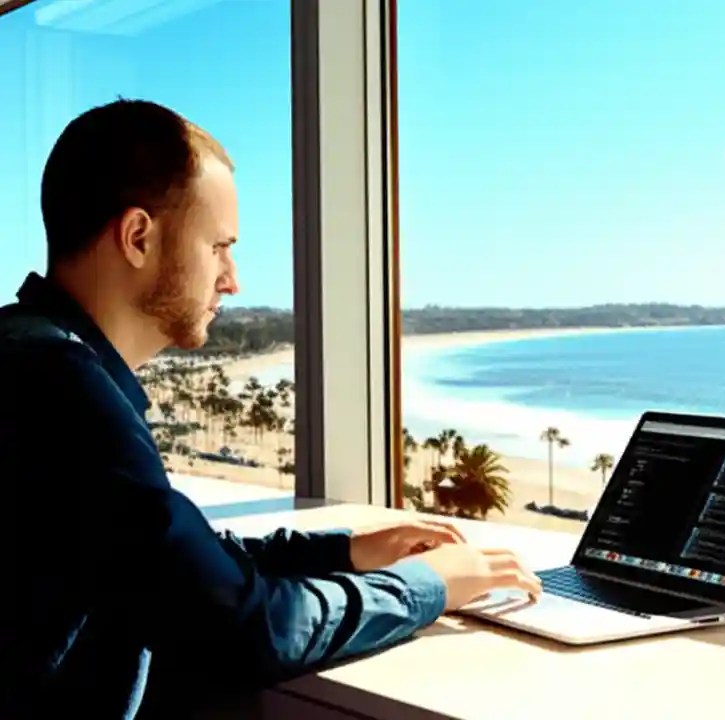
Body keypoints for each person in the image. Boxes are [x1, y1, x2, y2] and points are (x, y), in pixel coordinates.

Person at [0, 99, 542, 719]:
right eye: (219, 247)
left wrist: (349, 551)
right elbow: (241, 629)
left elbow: (173, 565)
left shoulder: (29, 355)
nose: (232, 279)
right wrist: (432, 585)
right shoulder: (59, 390)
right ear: (138, 237)